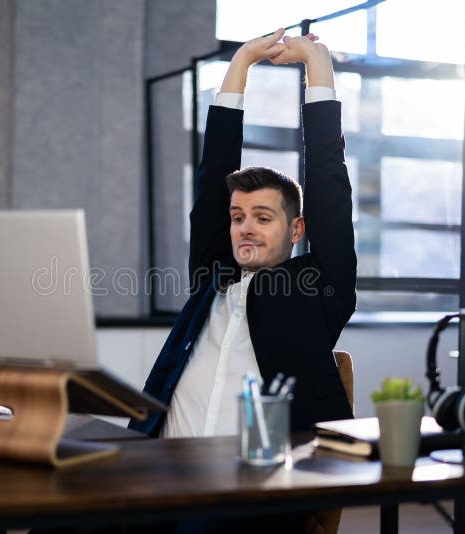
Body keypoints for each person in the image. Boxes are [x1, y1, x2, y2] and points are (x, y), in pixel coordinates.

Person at [129, 29, 355, 441]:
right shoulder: (211, 277)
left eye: (263, 217)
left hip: (257, 486)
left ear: (296, 229)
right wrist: (241, 63)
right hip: (158, 472)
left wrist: (317, 65)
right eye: (237, 217)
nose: (245, 227)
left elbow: (329, 182)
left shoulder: (316, 289)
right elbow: (212, 169)